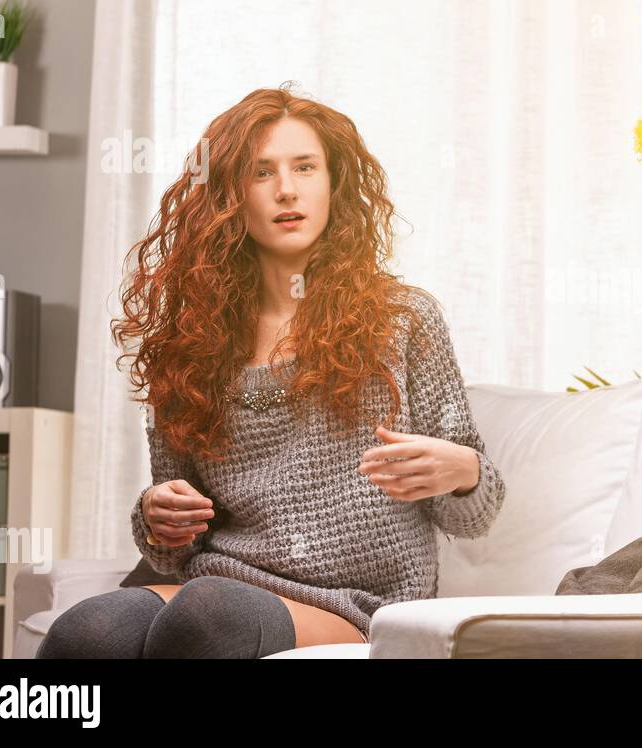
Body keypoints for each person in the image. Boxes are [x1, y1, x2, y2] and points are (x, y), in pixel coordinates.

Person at [37, 86, 506, 658]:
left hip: (352, 600)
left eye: (305, 167)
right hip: (214, 581)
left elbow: (475, 514)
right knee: (87, 631)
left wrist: (461, 470)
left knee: (212, 614)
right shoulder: (191, 342)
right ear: (230, 197)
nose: (287, 189)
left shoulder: (404, 319)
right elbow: (176, 550)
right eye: (262, 173)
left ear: (334, 183)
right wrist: (159, 517)